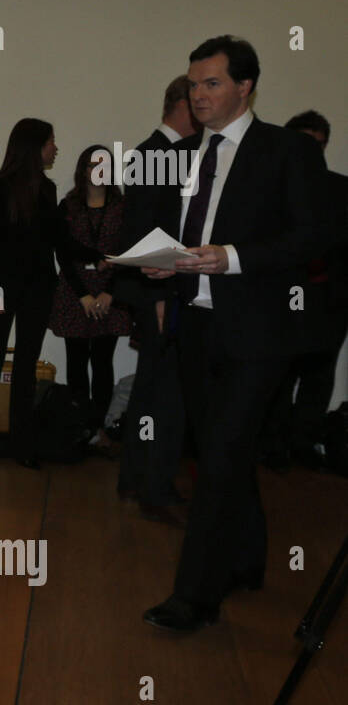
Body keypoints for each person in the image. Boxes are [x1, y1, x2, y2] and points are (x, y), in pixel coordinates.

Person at [138, 36, 334, 633]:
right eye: (193, 85)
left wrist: (232, 258)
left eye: (212, 84)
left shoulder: (285, 152)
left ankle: (193, 597)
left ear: (245, 87)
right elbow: (186, 232)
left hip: (257, 335)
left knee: (219, 460)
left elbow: (311, 239)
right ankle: (247, 559)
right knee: (224, 452)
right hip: (195, 326)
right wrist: (165, 263)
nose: (198, 95)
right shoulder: (186, 153)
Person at [0, 118, 101, 467]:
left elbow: (61, 242)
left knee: (26, 366)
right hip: (3, 290)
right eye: (50, 142)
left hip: (39, 290)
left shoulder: (47, 190)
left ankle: (21, 445)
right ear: (34, 147)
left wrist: (98, 254)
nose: (55, 147)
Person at [115, 77, 197, 522]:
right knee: (165, 396)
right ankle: (154, 487)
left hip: (157, 293)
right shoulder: (159, 154)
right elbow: (145, 234)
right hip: (161, 293)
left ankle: (135, 478)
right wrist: (162, 296)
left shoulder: (157, 152)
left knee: (149, 391)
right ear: (183, 104)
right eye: (198, 99)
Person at [260, 110, 347, 469]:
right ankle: (273, 443)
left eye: (321, 146)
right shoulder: (268, 189)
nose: (316, 153)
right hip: (281, 297)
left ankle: (304, 442)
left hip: (330, 297)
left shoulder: (342, 189)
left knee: (319, 375)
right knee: (279, 373)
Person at [48, 145, 132, 454]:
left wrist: (110, 292)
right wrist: (83, 294)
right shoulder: (67, 206)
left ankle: (101, 428)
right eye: (92, 164)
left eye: (104, 164)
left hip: (112, 292)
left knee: (102, 363)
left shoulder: (123, 208)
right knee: (76, 363)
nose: (98, 169)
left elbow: (128, 254)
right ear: (83, 169)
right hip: (75, 293)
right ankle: (79, 427)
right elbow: (63, 253)